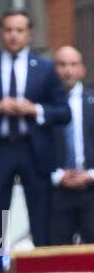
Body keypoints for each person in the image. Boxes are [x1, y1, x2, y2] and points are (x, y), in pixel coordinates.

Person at [0, 10, 69, 273]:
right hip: (0, 149)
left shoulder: (45, 68)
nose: (13, 35)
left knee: (41, 213)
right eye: (9, 30)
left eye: (19, 30)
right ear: (1, 33)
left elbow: (63, 112)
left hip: (34, 150)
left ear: (29, 34)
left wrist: (35, 110)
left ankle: (44, 268)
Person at [49, 45, 94, 245]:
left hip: (91, 189)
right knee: (58, 258)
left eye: (73, 64)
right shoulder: (44, 105)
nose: (68, 70)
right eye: (62, 64)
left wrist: (90, 175)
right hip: (57, 192)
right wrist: (58, 176)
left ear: (82, 69)